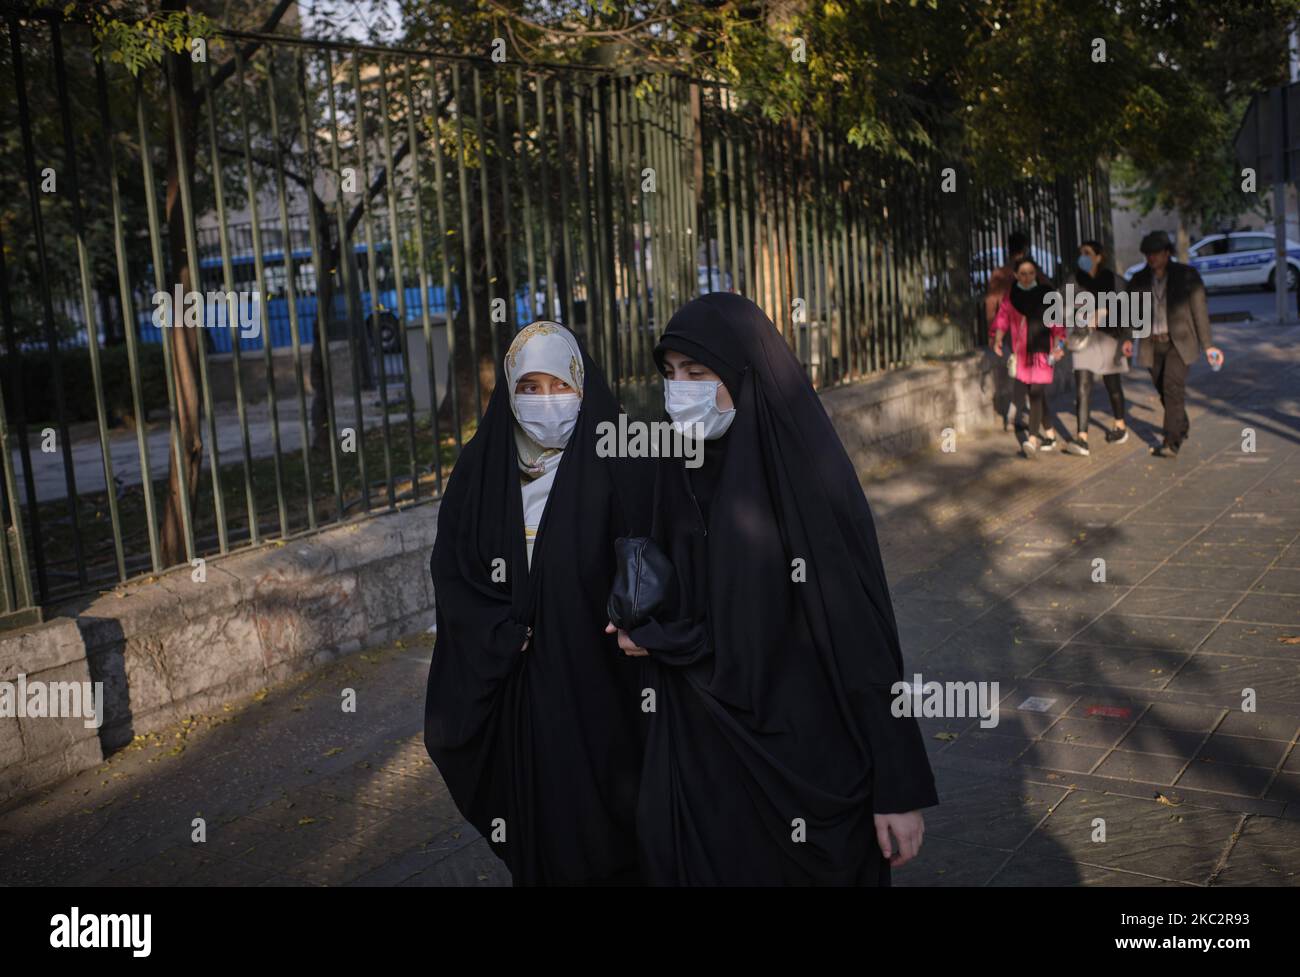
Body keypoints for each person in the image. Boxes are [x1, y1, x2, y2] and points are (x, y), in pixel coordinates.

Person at [606, 293, 937, 885]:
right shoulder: (669, 467)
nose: (679, 389)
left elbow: (861, 638)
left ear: (744, 374)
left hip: (803, 761)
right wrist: (641, 626)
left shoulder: (807, 481)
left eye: (698, 373)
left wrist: (897, 788)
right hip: (700, 754)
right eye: (671, 373)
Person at [423, 320, 650, 885]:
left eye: (559, 386)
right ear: (508, 391)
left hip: (602, 681)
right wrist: (496, 631)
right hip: (519, 683)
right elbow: (452, 571)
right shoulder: (481, 469)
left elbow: (656, 558)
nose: (545, 402)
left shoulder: (623, 459)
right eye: (529, 387)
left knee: (609, 823)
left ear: (583, 386)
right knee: (541, 825)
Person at [1126, 231, 1224, 458]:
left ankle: (1171, 441)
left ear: (1167, 253)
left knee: (1172, 385)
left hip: (1179, 343)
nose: (1151, 258)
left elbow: (1200, 311)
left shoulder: (1186, 275)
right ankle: (1181, 423)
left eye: (1156, 253)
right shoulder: (1139, 279)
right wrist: (1128, 340)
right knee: (1163, 389)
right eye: (1147, 254)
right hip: (1152, 344)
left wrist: (1208, 345)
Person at [991, 257, 1067, 459]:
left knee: (1035, 392)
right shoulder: (1011, 296)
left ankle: (1032, 440)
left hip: (1043, 352)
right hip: (1022, 353)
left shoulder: (1047, 294)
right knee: (1032, 394)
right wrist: (998, 339)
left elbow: (1058, 325)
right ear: (1015, 275)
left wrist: (1059, 346)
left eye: (1031, 273)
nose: (1026, 277)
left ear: (1036, 274)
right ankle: (1050, 434)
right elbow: (1002, 318)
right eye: (1022, 273)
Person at [1062, 240, 1132, 456]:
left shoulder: (1114, 280)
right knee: (1082, 386)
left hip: (1109, 339)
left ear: (1099, 257)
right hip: (1084, 340)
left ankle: (1120, 425)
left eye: (1088, 253)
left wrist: (1105, 314)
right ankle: (1081, 438)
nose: (1083, 256)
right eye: (1081, 253)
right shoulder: (1073, 281)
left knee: (1113, 385)